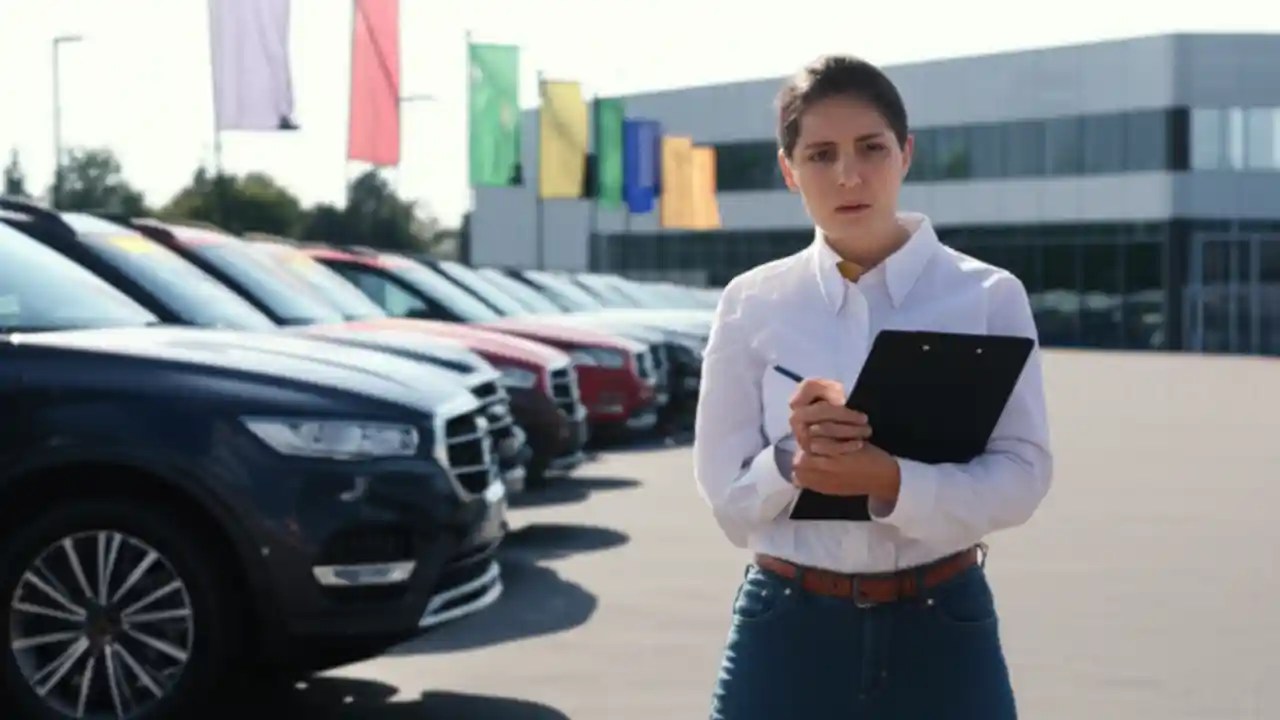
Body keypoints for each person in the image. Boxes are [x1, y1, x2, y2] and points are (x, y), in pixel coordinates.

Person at [693, 54, 1053, 719]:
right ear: (788, 170)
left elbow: (1023, 475)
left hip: (943, 625)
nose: (849, 174)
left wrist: (890, 479)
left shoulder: (986, 296)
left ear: (906, 152)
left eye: (871, 148)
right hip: (786, 627)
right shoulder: (754, 302)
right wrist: (789, 463)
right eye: (821, 154)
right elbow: (727, 504)